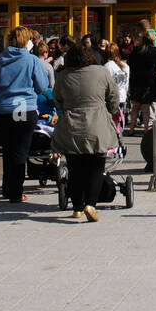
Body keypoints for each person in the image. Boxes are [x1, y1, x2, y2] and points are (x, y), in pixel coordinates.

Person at [52, 44, 120, 222]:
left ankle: (76, 208)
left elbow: (57, 99)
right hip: (97, 125)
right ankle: (91, 204)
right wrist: (110, 110)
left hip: (71, 126)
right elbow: (113, 96)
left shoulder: (63, 76)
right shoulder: (101, 72)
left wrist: (67, 108)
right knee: (96, 168)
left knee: (74, 168)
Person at [0, 26, 51, 204]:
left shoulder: (0, 60)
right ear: (26, 41)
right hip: (23, 108)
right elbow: (41, 85)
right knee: (20, 151)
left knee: (8, 150)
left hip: (2, 109)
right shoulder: (31, 60)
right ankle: (15, 192)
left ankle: (7, 188)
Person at [126, 32, 156, 131]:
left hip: (135, 81)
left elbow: (129, 62)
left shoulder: (136, 50)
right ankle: (146, 129)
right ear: (152, 40)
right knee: (145, 107)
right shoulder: (154, 50)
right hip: (149, 81)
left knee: (135, 106)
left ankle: (131, 129)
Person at [104, 44, 130, 128]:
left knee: (112, 122)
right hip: (122, 96)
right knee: (120, 119)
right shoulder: (125, 66)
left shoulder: (107, 66)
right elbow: (126, 84)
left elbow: (106, 84)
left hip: (112, 98)